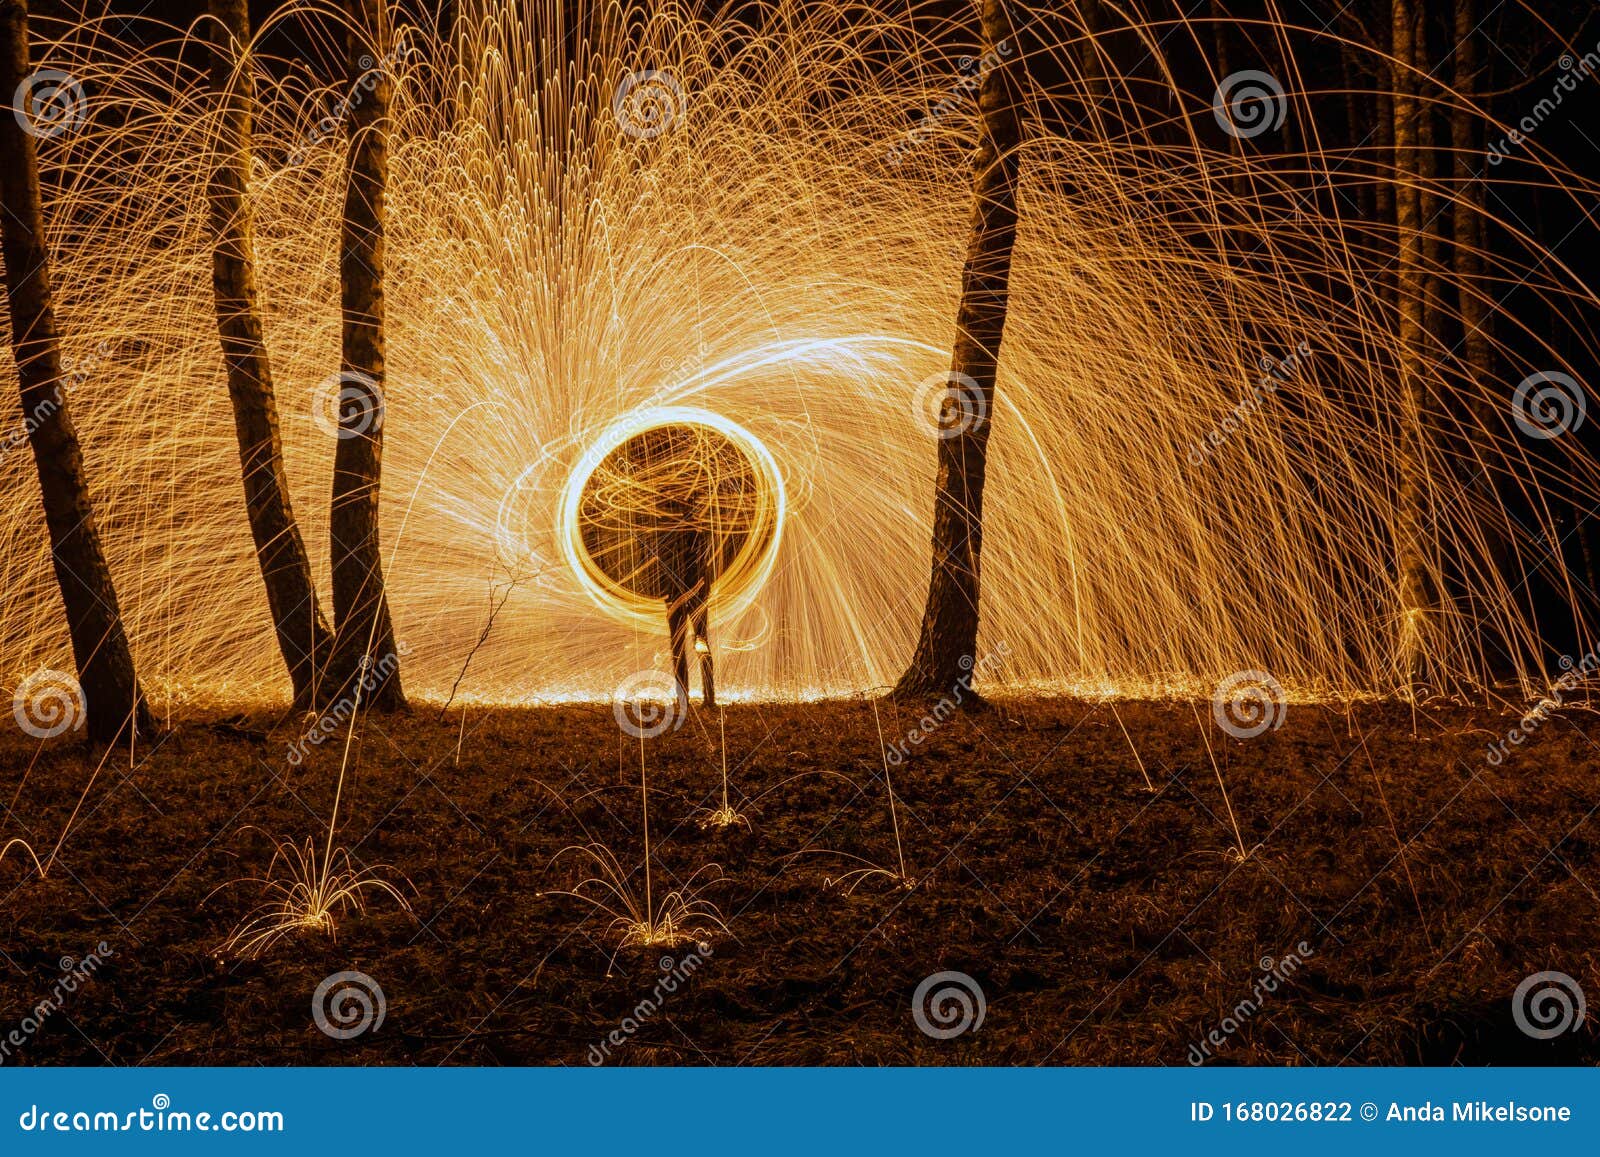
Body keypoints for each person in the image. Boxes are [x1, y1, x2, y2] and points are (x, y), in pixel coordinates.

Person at [657, 518, 717, 710]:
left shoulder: (697, 535)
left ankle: (708, 697)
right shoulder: (668, 537)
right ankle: (684, 698)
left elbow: (703, 566)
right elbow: (661, 567)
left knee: (699, 644)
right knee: (680, 648)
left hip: (693, 597)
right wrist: (667, 595)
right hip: (677, 599)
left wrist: (701, 592)